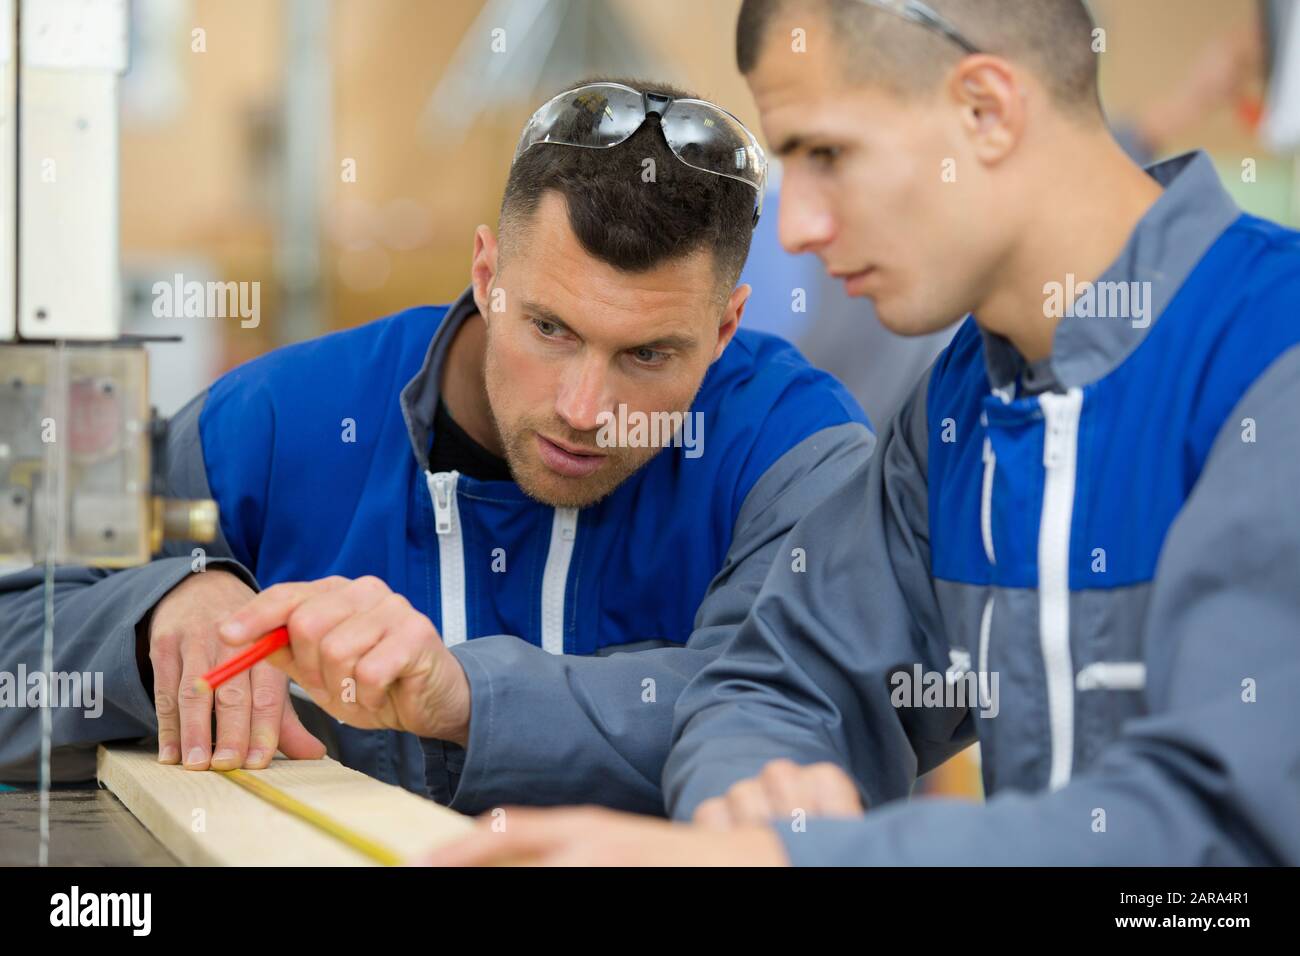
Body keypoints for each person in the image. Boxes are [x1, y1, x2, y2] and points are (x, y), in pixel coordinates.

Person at [426, 0, 1300, 865]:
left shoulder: (1275, 354)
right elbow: (776, 679)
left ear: (985, 110)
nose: (798, 228)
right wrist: (755, 789)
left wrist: (782, 861)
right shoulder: (960, 408)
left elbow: (1225, 837)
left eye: (826, 154)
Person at [0, 78, 872, 818]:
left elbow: (822, 717)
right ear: (487, 276)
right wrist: (158, 610)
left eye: (648, 354)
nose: (583, 409)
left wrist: (465, 700)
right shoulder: (280, 418)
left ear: (725, 327)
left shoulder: (792, 446)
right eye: (550, 328)